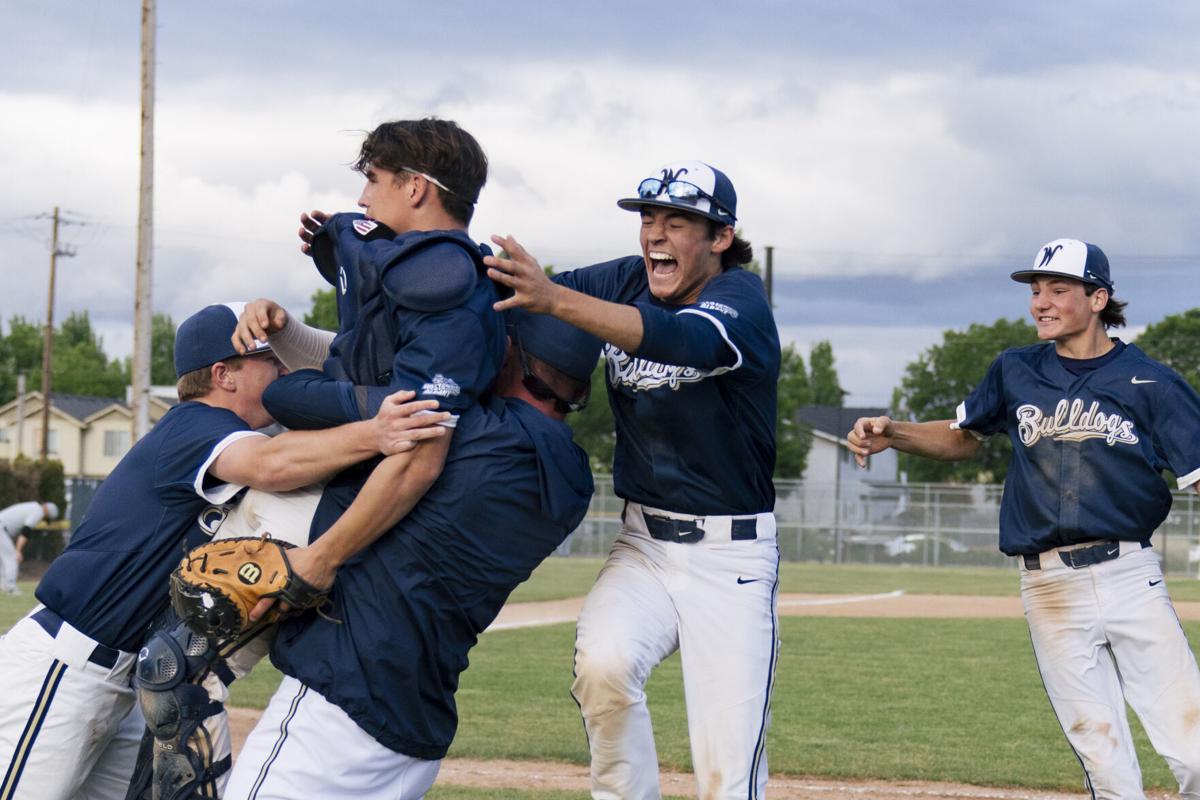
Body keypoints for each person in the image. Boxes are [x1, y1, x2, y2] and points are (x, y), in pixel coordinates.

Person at [0, 303, 442, 800]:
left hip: (122, 681)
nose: (281, 371)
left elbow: (334, 362)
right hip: (64, 667)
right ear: (222, 375)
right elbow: (271, 465)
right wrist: (377, 432)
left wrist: (289, 329)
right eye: (267, 360)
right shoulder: (192, 423)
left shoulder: (229, 430)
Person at [846, 239, 1200, 799]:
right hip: (1049, 585)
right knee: (1109, 772)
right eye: (1035, 291)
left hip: (1129, 575)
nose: (1040, 302)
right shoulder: (1015, 370)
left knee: (1196, 754)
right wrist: (896, 433)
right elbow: (963, 438)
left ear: (1098, 297)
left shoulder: (1152, 383)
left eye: (1058, 289)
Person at [485, 161, 781, 800]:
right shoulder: (625, 278)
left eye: (677, 222)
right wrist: (384, 259)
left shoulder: (742, 302)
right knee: (604, 669)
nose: (655, 234)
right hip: (644, 542)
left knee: (728, 764)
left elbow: (684, 341)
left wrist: (555, 299)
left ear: (720, 238)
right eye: (648, 218)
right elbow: (505, 288)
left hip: (730, 556)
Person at [222, 308, 600, 800]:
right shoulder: (574, 478)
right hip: (418, 722)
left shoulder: (454, 430)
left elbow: (285, 396)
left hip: (342, 704)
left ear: (509, 354)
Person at [0, 501, 57, 594]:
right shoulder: (38, 511)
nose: (44, 518)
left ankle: (3, 585)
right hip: (1, 528)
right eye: (47, 517)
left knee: (3, 559)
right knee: (12, 558)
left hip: (2, 526)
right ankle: (10, 587)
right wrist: (18, 551)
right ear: (46, 510)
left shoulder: (32, 506)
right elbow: (25, 531)